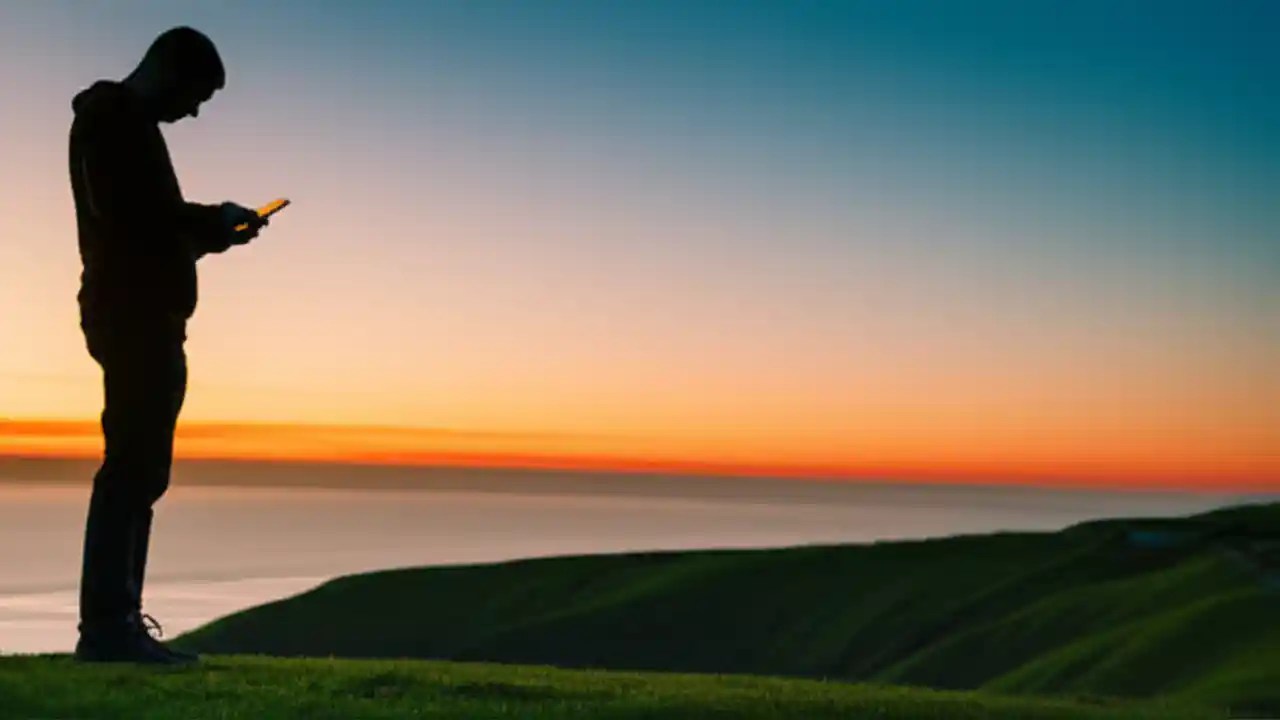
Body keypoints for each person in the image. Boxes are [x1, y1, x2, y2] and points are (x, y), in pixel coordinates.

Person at [69, 26, 267, 664]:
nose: (195, 110)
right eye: (195, 94)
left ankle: (117, 622)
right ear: (166, 69)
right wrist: (209, 219)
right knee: (132, 468)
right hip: (131, 318)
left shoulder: (126, 125)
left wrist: (216, 234)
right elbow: (129, 217)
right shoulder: (110, 121)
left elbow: (152, 225)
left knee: (141, 469)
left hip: (143, 316)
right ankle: (107, 630)